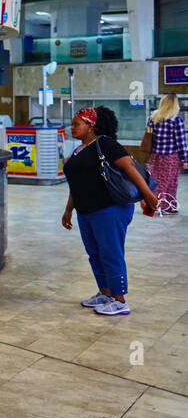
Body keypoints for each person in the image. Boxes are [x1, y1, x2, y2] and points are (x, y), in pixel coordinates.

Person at [62, 106, 158, 316]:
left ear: (91, 125)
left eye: (77, 124)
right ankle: (105, 293)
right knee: (94, 254)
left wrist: (147, 195)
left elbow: (129, 168)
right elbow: (76, 183)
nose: (72, 128)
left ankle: (120, 300)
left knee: (111, 253)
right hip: (86, 211)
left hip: (109, 209)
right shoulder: (79, 149)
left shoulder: (104, 143)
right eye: (72, 124)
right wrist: (69, 210)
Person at [145, 94, 186, 215]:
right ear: (174, 105)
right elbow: (181, 142)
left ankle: (157, 206)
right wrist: (185, 159)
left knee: (155, 181)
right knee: (170, 183)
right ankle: (163, 207)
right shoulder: (176, 121)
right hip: (170, 158)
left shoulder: (153, 119)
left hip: (155, 156)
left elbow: (148, 136)